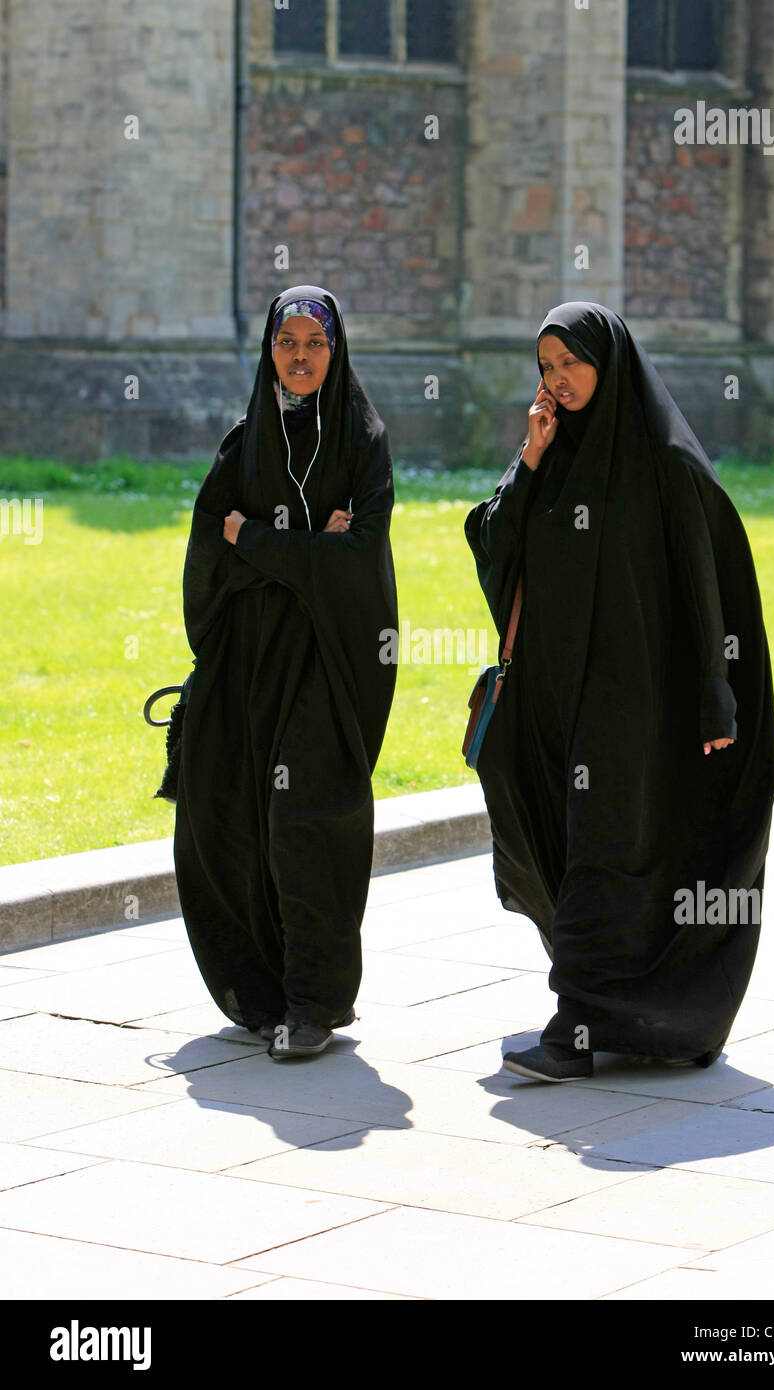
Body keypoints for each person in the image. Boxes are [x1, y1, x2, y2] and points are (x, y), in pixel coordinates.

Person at [464, 301, 774, 1083]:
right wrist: (528, 460)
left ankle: (576, 1029)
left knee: (606, 850)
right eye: (545, 367)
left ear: (608, 363)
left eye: (571, 362)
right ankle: (656, 1020)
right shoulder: (554, 453)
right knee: (564, 849)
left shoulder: (665, 463)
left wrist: (715, 694)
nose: (558, 380)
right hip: (553, 696)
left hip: (633, 704)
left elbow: (706, 588)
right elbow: (493, 544)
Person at [174, 284, 398, 1060]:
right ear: (270, 352)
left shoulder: (362, 442)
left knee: (309, 820)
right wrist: (307, 548)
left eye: (315, 344)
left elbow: (355, 561)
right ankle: (264, 990)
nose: (300, 358)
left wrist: (262, 542)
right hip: (248, 661)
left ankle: (314, 1004)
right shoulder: (247, 442)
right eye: (287, 344)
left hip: (330, 663)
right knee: (233, 816)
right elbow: (211, 552)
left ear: (337, 353)